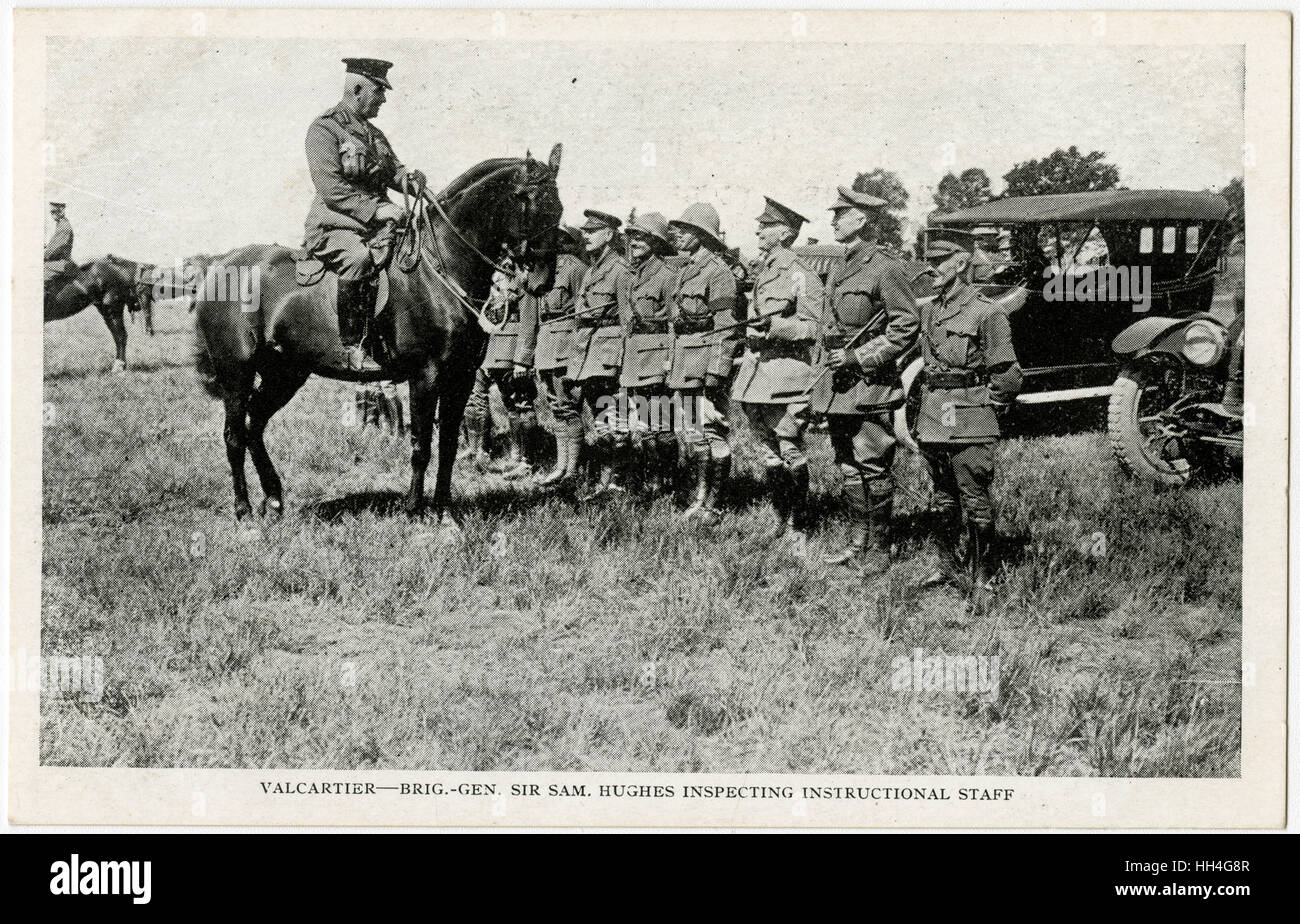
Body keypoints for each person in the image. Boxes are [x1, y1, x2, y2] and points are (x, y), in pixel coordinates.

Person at [810, 186, 920, 571]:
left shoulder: (885, 266)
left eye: (840, 215)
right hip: (838, 382)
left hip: (868, 382)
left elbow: (906, 325)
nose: (834, 221)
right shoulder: (841, 266)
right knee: (847, 463)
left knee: (872, 462)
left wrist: (859, 356)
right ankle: (859, 540)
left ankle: (880, 547)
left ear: (861, 220)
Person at [303, 57, 426, 372]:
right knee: (359, 259)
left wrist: (412, 183)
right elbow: (332, 189)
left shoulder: (375, 134)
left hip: (378, 225)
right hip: (335, 226)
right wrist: (379, 209)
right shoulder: (324, 129)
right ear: (358, 89)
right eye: (379, 91)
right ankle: (353, 347)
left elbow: (393, 171)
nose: (384, 99)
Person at [916, 227, 1022, 594]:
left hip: (970, 415)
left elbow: (1007, 374)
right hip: (934, 415)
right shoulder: (930, 310)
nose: (931, 269)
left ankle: (984, 576)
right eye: (928, 261)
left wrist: (986, 410)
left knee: (974, 498)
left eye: (938, 262)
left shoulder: (986, 312)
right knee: (942, 498)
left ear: (960, 263)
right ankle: (947, 566)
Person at [731, 197, 823, 543]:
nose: (758, 230)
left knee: (789, 449)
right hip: (756, 374)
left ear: (784, 233)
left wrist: (775, 327)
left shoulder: (800, 273)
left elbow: (815, 327)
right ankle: (781, 521)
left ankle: (799, 528)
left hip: (785, 376)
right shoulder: (765, 270)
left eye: (766, 226)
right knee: (767, 452)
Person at [667, 203, 738, 523]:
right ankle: (700, 498)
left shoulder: (719, 273)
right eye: (677, 230)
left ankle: (715, 505)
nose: (677, 234)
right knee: (694, 432)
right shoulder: (685, 269)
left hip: (705, 361)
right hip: (685, 359)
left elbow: (726, 327)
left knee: (713, 432)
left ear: (701, 235)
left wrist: (717, 371)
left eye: (685, 230)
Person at [567, 209, 632, 498]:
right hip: (589, 352)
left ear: (609, 235)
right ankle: (607, 481)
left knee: (615, 419)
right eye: (585, 230)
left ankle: (617, 483)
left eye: (593, 231)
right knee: (601, 418)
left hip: (608, 351)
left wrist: (622, 359)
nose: (586, 234)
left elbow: (628, 320)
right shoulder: (592, 269)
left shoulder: (619, 269)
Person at [620, 212, 679, 493]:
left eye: (642, 237)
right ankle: (649, 479)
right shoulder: (632, 274)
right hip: (634, 356)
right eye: (632, 237)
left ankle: (666, 481)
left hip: (656, 357)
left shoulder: (667, 276)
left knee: (661, 424)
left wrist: (670, 361)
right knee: (643, 424)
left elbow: (673, 323)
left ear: (656, 241)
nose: (635, 242)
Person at [465, 257, 539, 476]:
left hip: (510, 348)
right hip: (485, 348)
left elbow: (529, 321)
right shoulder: (483, 278)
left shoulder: (522, 281)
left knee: (519, 403)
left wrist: (522, 358)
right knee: (474, 397)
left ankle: (523, 460)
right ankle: (479, 451)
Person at [532, 226, 589, 487]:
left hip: (566, 344)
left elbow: (581, 312)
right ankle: (561, 465)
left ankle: (573, 470)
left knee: (568, 407)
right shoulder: (545, 267)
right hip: (546, 342)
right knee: (555, 409)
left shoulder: (575, 268)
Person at [44, 202, 75, 284]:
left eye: (53, 211)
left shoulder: (64, 227)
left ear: (61, 210)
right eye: (51, 212)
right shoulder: (60, 225)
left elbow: (55, 249)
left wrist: (43, 255)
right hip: (58, 263)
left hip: (61, 264)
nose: (52, 214)